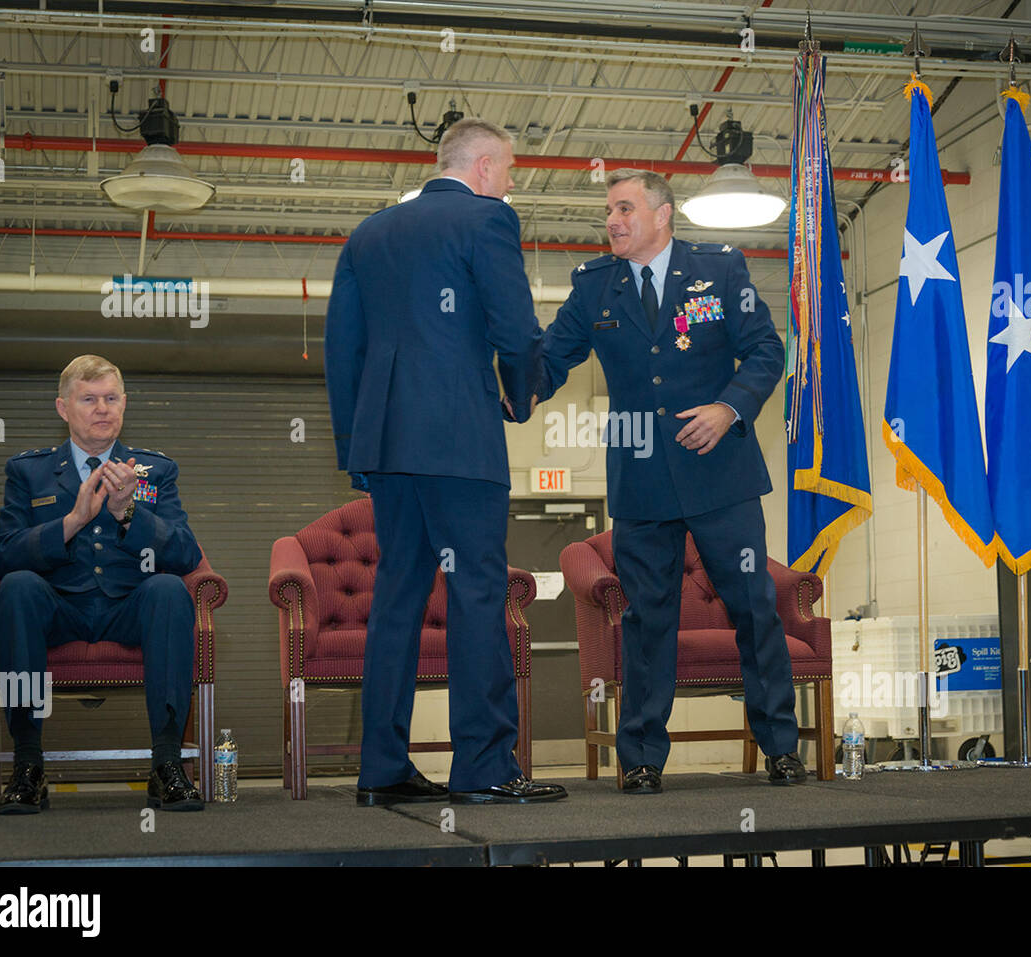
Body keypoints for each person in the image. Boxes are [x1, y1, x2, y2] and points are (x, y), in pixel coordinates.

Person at [536, 169, 806, 793]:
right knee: (646, 618)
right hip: (642, 479)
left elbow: (767, 349)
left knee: (754, 608)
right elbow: (550, 360)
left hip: (721, 473)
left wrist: (729, 406)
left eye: (624, 208)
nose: (612, 220)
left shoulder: (720, 269)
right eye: (608, 210)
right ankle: (641, 759)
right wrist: (499, 384)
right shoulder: (595, 286)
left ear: (663, 215)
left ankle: (781, 748)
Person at [325, 118, 565, 805]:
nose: (512, 182)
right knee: (477, 592)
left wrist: (356, 449)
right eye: (511, 169)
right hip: (459, 441)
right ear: (485, 166)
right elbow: (516, 332)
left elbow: (344, 351)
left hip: (390, 448)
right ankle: (485, 768)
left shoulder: (369, 233)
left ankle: (382, 769)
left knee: (397, 597)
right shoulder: (488, 219)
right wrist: (521, 398)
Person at [0, 354, 204, 814]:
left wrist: (129, 513)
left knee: (169, 590)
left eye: (110, 399)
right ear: (64, 408)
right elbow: (1, 554)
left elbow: (185, 553)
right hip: (58, 607)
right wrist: (72, 521)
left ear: (124, 404)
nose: (102, 408)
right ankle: (28, 766)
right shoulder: (30, 471)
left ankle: (166, 764)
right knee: (19, 586)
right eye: (89, 399)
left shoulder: (154, 471)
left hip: (129, 607)